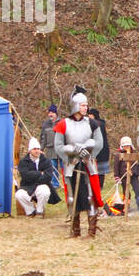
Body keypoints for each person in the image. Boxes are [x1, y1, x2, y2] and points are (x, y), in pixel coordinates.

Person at [54, 89, 104, 238]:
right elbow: (58, 147)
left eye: (86, 105)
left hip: (88, 163)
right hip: (71, 164)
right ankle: (75, 230)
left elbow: (100, 143)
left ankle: (92, 230)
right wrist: (74, 149)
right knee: (72, 197)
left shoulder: (92, 123)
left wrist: (88, 149)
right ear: (76, 106)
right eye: (83, 105)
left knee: (90, 196)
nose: (85, 108)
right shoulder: (63, 124)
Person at [15, 138, 57, 217]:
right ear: (30, 150)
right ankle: (30, 211)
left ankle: (39, 211)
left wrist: (34, 177)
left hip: (43, 184)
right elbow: (25, 176)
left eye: (38, 149)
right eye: (34, 149)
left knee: (44, 191)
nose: (37, 151)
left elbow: (48, 177)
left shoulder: (46, 161)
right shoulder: (23, 162)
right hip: (28, 186)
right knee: (19, 195)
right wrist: (39, 173)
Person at [114, 136, 139, 213]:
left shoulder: (134, 154)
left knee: (138, 190)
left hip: (133, 175)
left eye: (128, 145)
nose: (126, 147)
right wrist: (117, 176)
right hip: (123, 176)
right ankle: (127, 206)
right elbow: (116, 167)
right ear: (121, 146)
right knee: (126, 192)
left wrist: (135, 172)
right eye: (124, 146)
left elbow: (136, 165)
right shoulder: (119, 155)